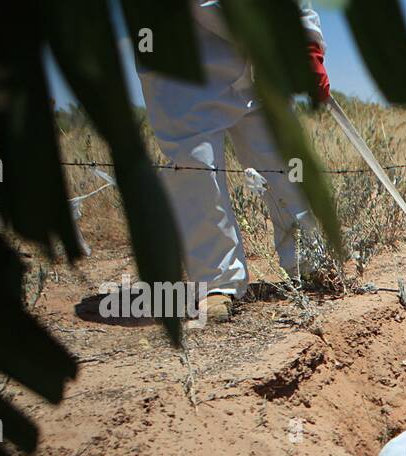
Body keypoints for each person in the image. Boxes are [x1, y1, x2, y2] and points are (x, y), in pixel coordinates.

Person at [136, 1, 331, 323]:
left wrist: (309, 43)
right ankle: (218, 283)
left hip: (259, 67)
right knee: (198, 172)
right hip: (181, 66)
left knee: (283, 163)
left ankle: (308, 263)